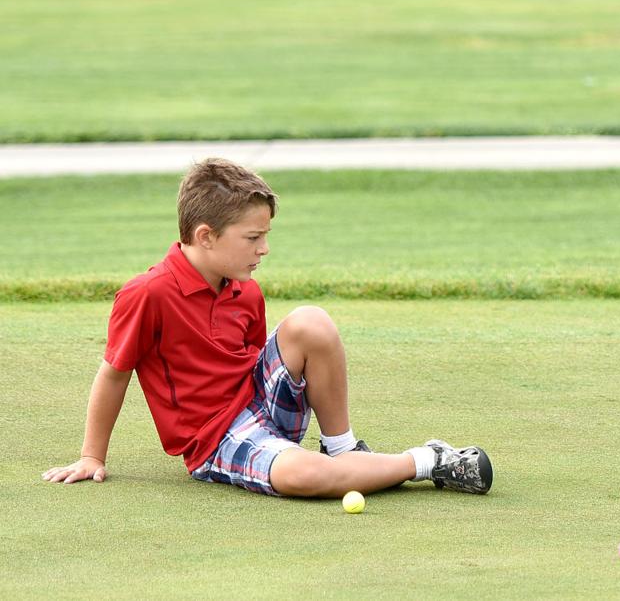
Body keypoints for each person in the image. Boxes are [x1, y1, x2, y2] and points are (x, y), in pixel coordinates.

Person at [42, 158, 492, 498]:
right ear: (205, 236)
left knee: (311, 321)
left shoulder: (246, 290)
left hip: (259, 405)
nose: (265, 249)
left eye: (266, 236)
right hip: (214, 439)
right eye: (253, 238)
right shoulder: (147, 294)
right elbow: (114, 374)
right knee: (304, 475)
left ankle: (343, 450)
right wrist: (91, 456)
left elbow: (257, 361)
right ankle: (429, 460)